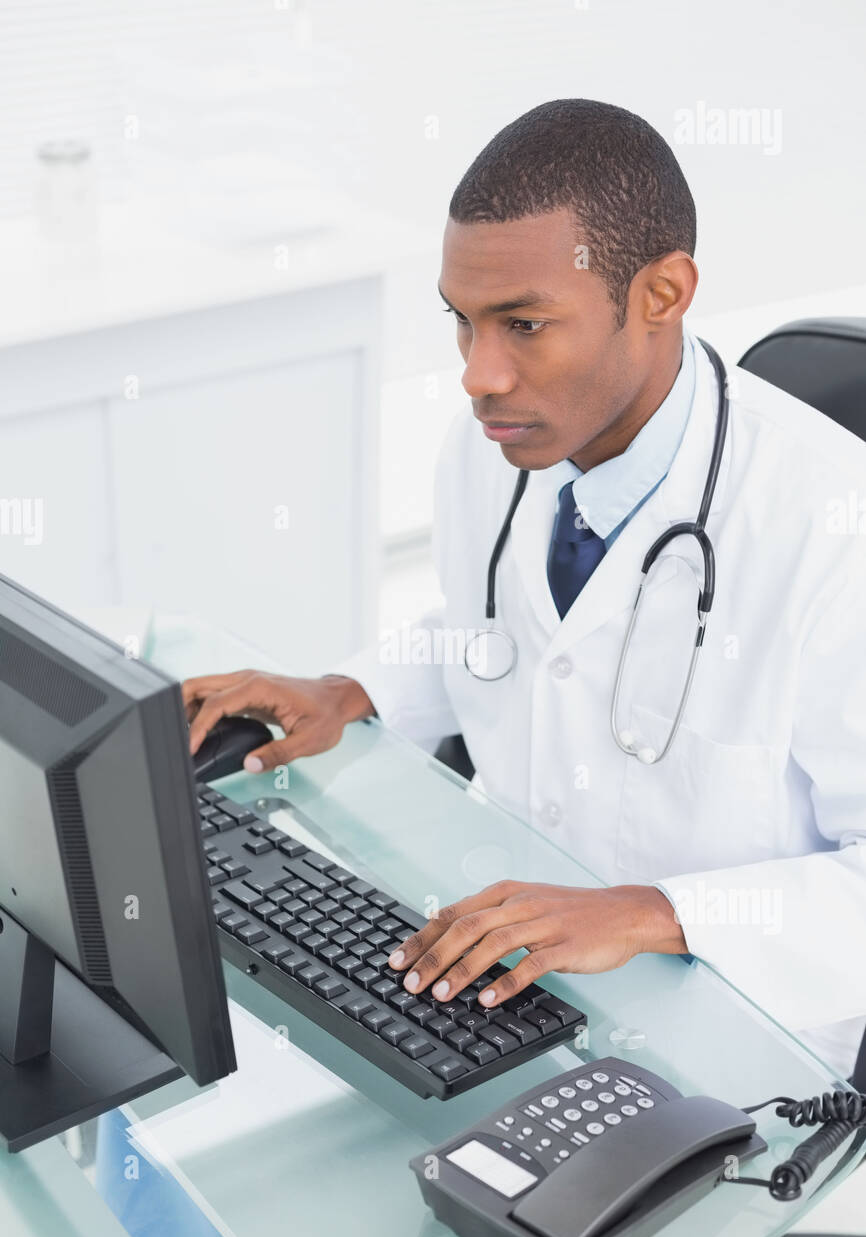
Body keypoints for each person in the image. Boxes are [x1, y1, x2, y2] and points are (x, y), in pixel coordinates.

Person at [184, 100, 866, 1078]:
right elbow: (504, 631)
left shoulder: (828, 531)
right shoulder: (503, 441)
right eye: (460, 324)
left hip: (736, 1057)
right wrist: (349, 690)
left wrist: (650, 910)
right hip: (513, 991)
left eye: (523, 325)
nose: (477, 374)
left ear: (661, 293)